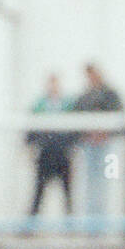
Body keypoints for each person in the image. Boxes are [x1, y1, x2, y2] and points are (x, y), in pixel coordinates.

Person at [71, 63, 125, 219]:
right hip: (88, 146)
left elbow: (118, 116)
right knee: (89, 181)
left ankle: (103, 219)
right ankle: (91, 221)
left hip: (107, 146)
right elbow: (77, 118)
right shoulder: (84, 96)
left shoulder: (110, 94)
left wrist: (104, 134)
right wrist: (87, 135)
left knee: (106, 179)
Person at [25, 73, 74, 218]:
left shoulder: (68, 105)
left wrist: (73, 150)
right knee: (38, 192)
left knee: (67, 192)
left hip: (62, 154)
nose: (53, 87)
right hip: (45, 154)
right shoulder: (39, 105)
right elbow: (31, 129)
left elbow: (73, 131)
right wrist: (30, 148)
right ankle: (30, 226)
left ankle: (70, 225)